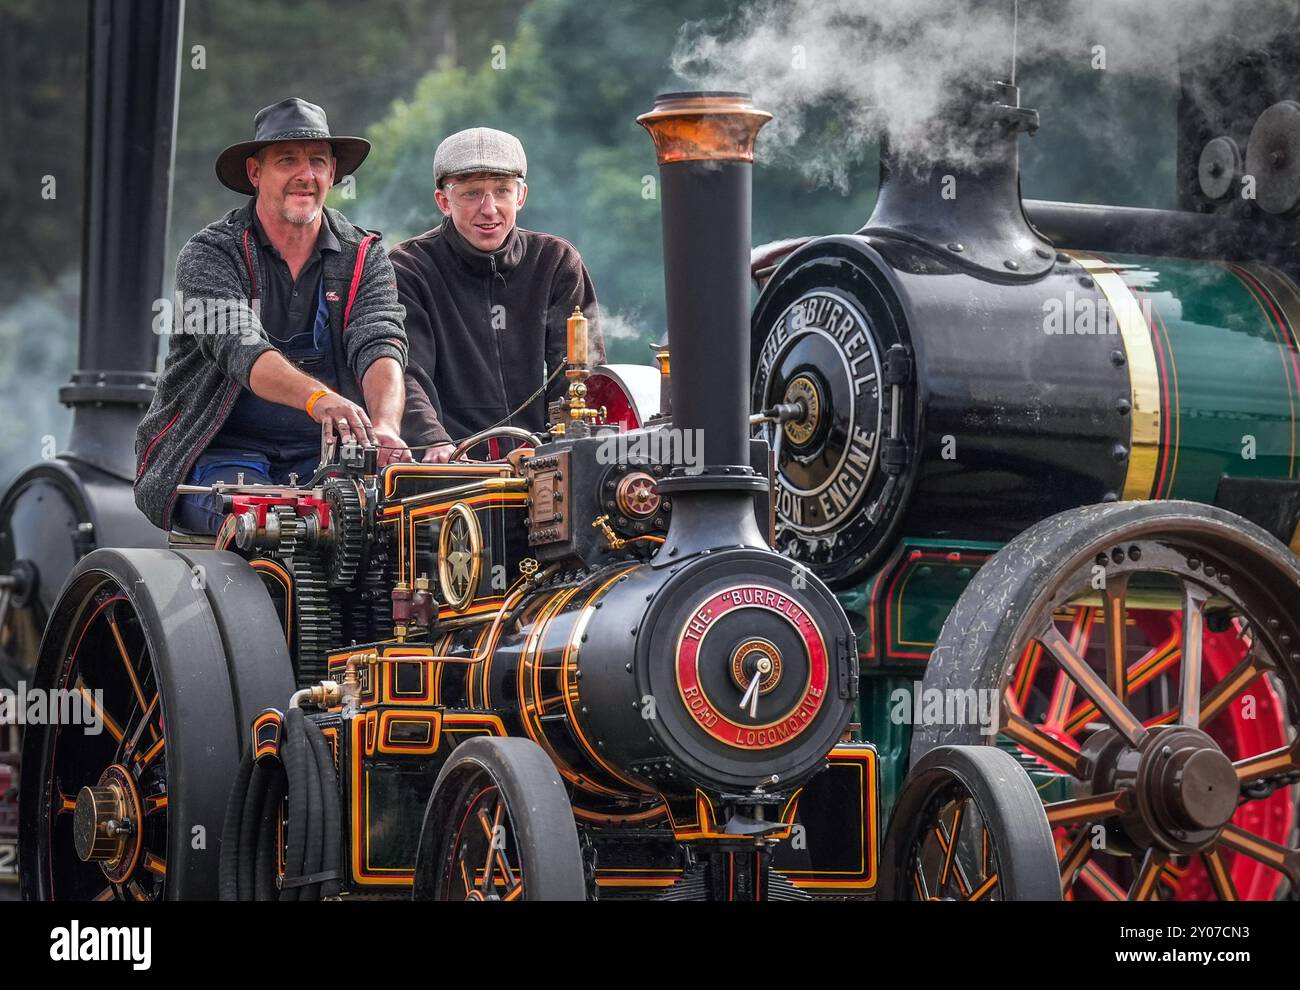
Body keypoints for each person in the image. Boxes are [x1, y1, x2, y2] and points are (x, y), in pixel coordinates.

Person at [134, 98, 443, 534]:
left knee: (400, 532)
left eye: (318, 161)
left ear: (333, 173)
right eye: (287, 161)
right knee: (263, 528)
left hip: (326, 457)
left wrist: (386, 429)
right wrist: (320, 399)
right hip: (222, 450)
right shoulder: (209, 254)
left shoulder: (365, 255)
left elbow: (381, 344)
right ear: (256, 173)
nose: (306, 175)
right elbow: (240, 348)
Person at [390, 127, 605, 462]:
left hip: (539, 462)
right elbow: (404, 370)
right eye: (472, 193)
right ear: (444, 201)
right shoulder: (409, 268)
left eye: (502, 191)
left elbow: (580, 373)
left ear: (520, 196)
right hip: (448, 466)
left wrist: (561, 450)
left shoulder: (556, 262)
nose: (489, 209)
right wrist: (432, 440)